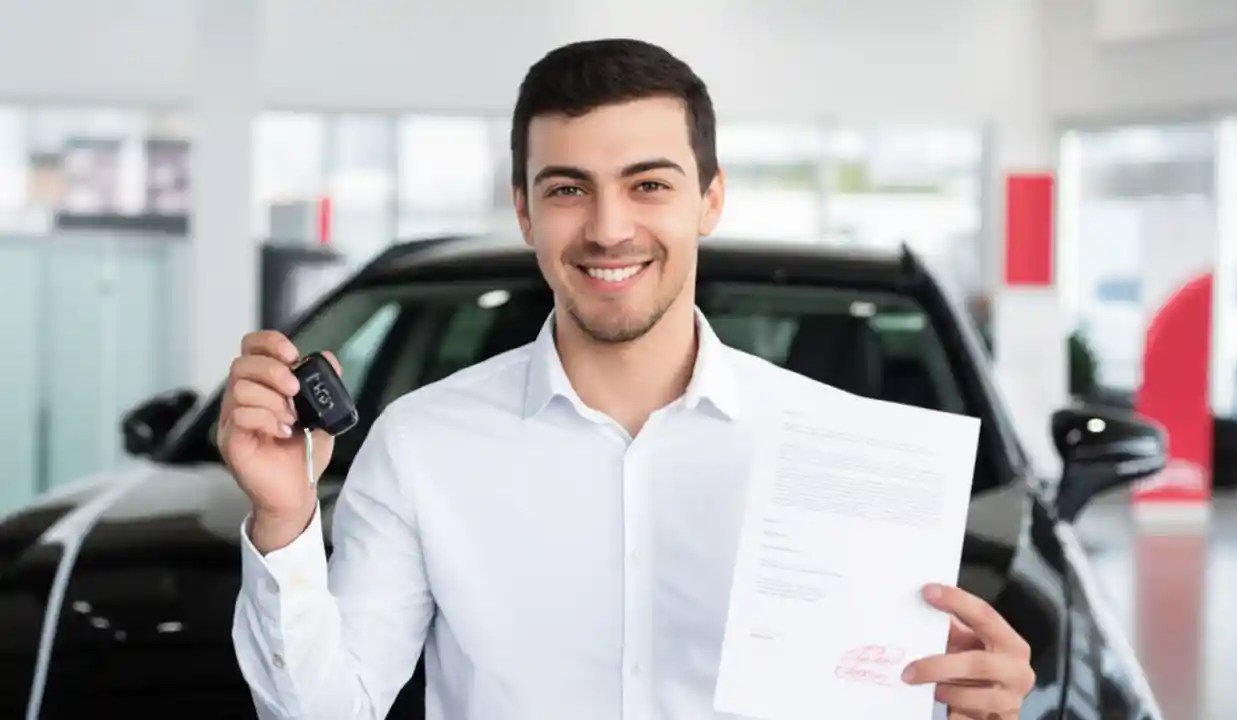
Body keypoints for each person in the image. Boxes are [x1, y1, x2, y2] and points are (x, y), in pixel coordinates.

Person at [222, 38, 1036, 720]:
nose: (609, 229)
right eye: (569, 189)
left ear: (710, 199)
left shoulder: (838, 450)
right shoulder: (421, 442)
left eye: (648, 184)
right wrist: (286, 521)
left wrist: (973, 710)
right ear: (524, 211)